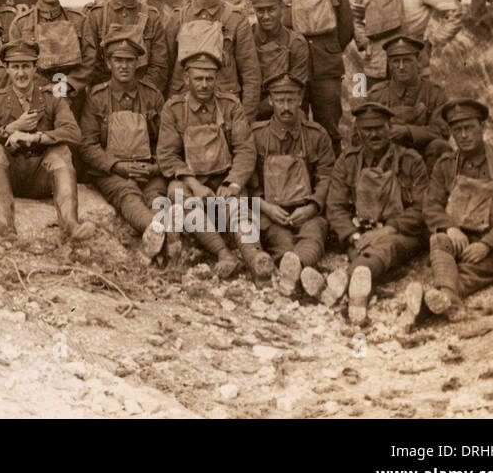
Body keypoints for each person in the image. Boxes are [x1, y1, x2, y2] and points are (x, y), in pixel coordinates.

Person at [157, 50, 270, 280]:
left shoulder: (231, 106)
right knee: (178, 195)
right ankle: (224, 254)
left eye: (210, 78)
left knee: (239, 210)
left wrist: (234, 183)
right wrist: (194, 185)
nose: (205, 84)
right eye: (198, 78)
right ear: (186, 78)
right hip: (192, 182)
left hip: (224, 181)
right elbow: (167, 155)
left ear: (217, 78)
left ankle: (255, 258)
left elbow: (245, 150)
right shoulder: (174, 109)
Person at [422, 99, 493, 321]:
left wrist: (487, 244)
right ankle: (448, 300)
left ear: (482, 127)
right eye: (456, 130)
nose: (463, 135)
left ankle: (433, 301)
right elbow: (431, 204)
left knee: (468, 270)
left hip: (492, 243)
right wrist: (450, 228)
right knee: (438, 241)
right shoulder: (445, 165)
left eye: (469, 128)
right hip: (458, 239)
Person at [0, 40, 93, 241]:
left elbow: (73, 132)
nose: (21, 73)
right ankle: (5, 223)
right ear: (7, 70)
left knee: (62, 151)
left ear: (35, 68)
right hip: (8, 175)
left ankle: (70, 224)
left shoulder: (52, 97)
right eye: (16, 67)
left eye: (26, 66)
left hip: (42, 178)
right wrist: (11, 129)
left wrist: (36, 137)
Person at [326, 101, 429, 325]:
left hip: (400, 232)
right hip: (361, 232)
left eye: (379, 128)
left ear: (389, 129)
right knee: (362, 250)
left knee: (387, 248)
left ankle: (348, 280)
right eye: (367, 129)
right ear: (358, 132)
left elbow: (422, 209)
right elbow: (335, 206)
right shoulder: (348, 161)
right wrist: (353, 235)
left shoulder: (411, 161)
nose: (374, 134)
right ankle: (357, 290)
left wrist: (386, 230)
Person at [78, 29, 169, 262]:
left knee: (157, 194)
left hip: (148, 168)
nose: (124, 66)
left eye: (129, 60)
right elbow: (87, 144)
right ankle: (155, 228)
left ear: (137, 63)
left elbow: (168, 140)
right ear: (108, 64)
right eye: (118, 60)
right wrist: (116, 166)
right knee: (126, 193)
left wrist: (155, 168)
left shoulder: (153, 97)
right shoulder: (96, 97)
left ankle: (163, 236)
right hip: (112, 172)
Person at [251, 73, 336, 299]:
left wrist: (312, 207)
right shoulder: (257, 136)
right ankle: (299, 273)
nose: (286, 107)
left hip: (306, 210)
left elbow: (327, 176)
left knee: (314, 233)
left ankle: (296, 267)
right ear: (270, 101)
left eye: (291, 100)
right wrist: (265, 207)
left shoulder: (316, 135)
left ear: (300, 99)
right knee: (280, 240)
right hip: (271, 212)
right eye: (280, 100)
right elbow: (247, 182)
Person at [273, 0, 353, 151]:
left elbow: (346, 30)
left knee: (329, 127)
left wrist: (329, 51)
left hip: (326, 71)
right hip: (291, 70)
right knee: (292, 125)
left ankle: (334, 178)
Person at [166, 0, 261, 122]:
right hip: (185, 110)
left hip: (225, 109)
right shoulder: (177, 19)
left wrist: (245, 119)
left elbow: (251, 74)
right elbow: (166, 67)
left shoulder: (235, 19)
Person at [7, 0, 97, 113]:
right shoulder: (21, 24)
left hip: (73, 98)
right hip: (35, 98)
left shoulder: (79, 20)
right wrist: (44, 88)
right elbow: (17, 64)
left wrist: (66, 86)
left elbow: (89, 59)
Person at [82, 0, 169, 93]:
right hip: (105, 97)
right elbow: (91, 63)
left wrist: (144, 95)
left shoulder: (151, 16)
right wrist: (106, 96)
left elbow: (159, 65)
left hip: (144, 96)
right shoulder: (96, 16)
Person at [357, 35, 451, 165]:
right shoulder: (376, 95)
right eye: (396, 61)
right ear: (390, 65)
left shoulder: (435, 93)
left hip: (425, 155)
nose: (401, 66)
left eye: (406, 60)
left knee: (440, 146)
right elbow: (358, 134)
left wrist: (408, 131)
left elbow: (442, 131)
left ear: (418, 62)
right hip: (387, 158)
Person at [246, 0, 310, 123]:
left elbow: (295, 88)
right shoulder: (246, 38)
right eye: (260, 11)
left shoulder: (296, 43)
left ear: (282, 8)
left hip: (285, 105)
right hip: (250, 107)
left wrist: (258, 109)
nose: (266, 16)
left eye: (271, 9)